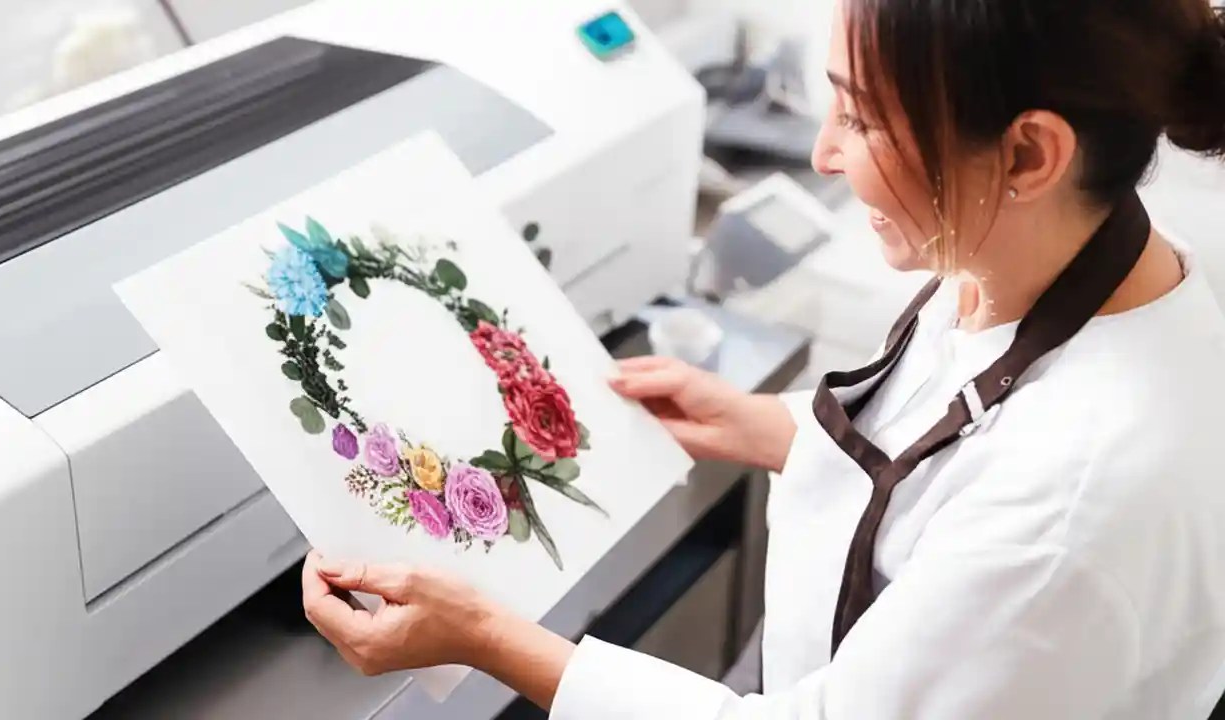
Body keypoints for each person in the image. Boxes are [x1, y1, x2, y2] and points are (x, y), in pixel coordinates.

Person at [299, 0, 1225, 716]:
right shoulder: (1051, 247)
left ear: (1027, 153)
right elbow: (945, 435)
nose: (823, 152)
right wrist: (769, 424)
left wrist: (486, 637)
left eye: (861, 121)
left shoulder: (1078, 499)